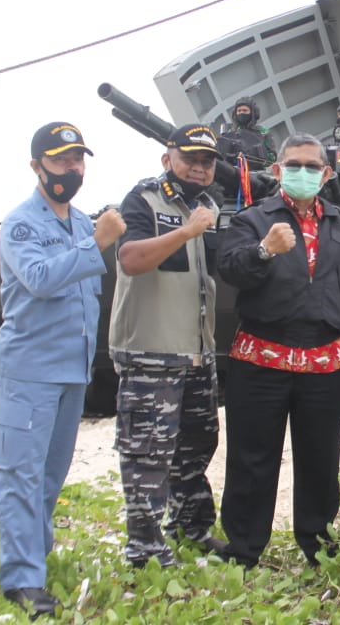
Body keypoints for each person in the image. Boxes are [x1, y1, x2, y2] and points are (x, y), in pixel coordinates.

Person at [0, 122, 125, 618]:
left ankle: (33, 560)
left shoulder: (78, 222)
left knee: (48, 476)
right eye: (61, 160)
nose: (72, 169)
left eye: (77, 160)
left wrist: (92, 237)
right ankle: (22, 581)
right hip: (28, 371)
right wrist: (98, 243)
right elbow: (41, 280)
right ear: (36, 167)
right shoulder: (21, 224)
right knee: (19, 474)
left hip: (71, 373)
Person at [217, 133, 340, 567]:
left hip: (324, 362)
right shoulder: (252, 221)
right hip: (261, 357)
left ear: (326, 174)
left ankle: (317, 541)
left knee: (320, 458)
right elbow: (229, 271)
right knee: (252, 458)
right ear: (277, 170)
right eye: (294, 165)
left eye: (312, 166)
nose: (303, 172)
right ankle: (244, 550)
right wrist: (264, 250)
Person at [109, 123, 225, 569]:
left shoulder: (209, 206)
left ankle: (190, 529)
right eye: (189, 159)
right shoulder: (144, 199)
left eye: (206, 161)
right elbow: (131, 260)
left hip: (198, 351)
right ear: (167, 159)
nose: (197, 168)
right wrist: (186, 232)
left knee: (197, 445)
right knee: (147, 452)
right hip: (151, 352)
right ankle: (144, 548)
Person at [217, 96, 274, 170]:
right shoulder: (229, 132)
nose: (241, 113)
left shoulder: (262, 132)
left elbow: (272, 157)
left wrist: (258, 157)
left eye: (245, 110)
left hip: (255, 172)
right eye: (239, 110)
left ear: (253, 113)